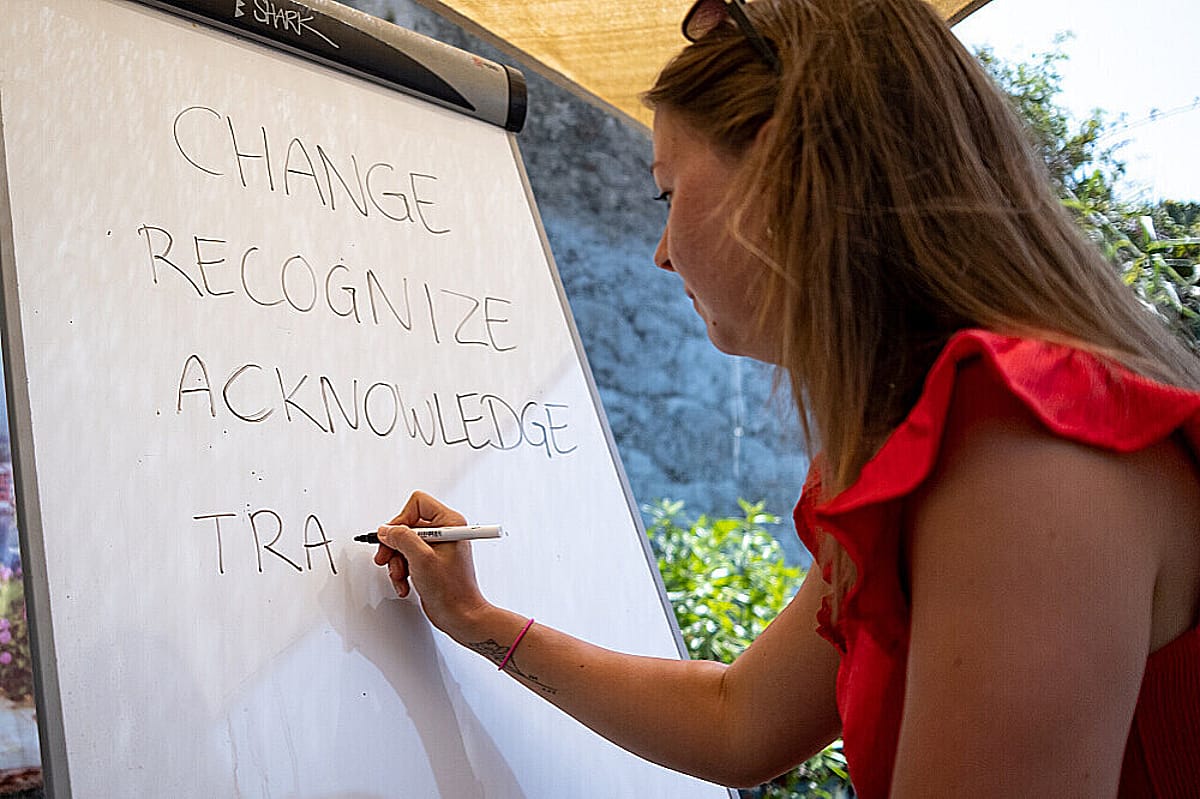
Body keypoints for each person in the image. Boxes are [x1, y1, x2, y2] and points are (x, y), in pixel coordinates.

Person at [371, 0, 1200, 795]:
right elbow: (739, 722)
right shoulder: (926, 441)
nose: (660, 253)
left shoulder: (1030, 447)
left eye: (668, 193)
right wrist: (477, 620)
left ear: (781, 170)